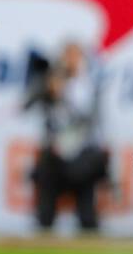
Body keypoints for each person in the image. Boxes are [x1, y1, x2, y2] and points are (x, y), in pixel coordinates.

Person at [23, 42, 108, 232]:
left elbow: (90, 121)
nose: (70, 61)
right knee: (45, 203)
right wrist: (44, 85)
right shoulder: (49, 83)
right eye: (66, 56)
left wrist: (63, 96)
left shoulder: (88, 86)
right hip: (55, 157)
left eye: (74, 56)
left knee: (86, 211)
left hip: (83, 156)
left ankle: (88, 230)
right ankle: (43, 231)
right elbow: (26, 105)